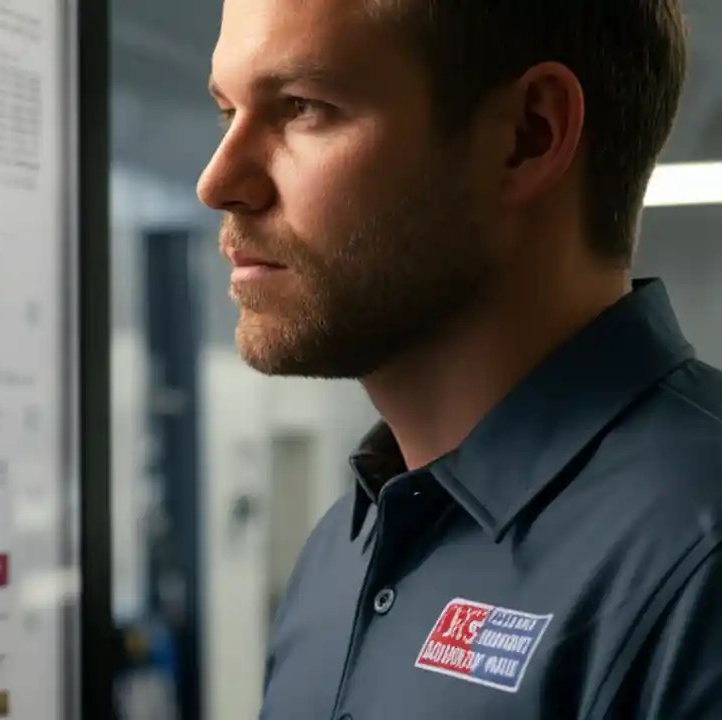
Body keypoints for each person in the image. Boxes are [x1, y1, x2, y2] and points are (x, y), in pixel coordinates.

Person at [198, 0, 718, 717]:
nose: (218, 182)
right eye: (228, 112)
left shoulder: (697, 564)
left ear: (527, 137)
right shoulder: (340, 553)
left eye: (301, 107)